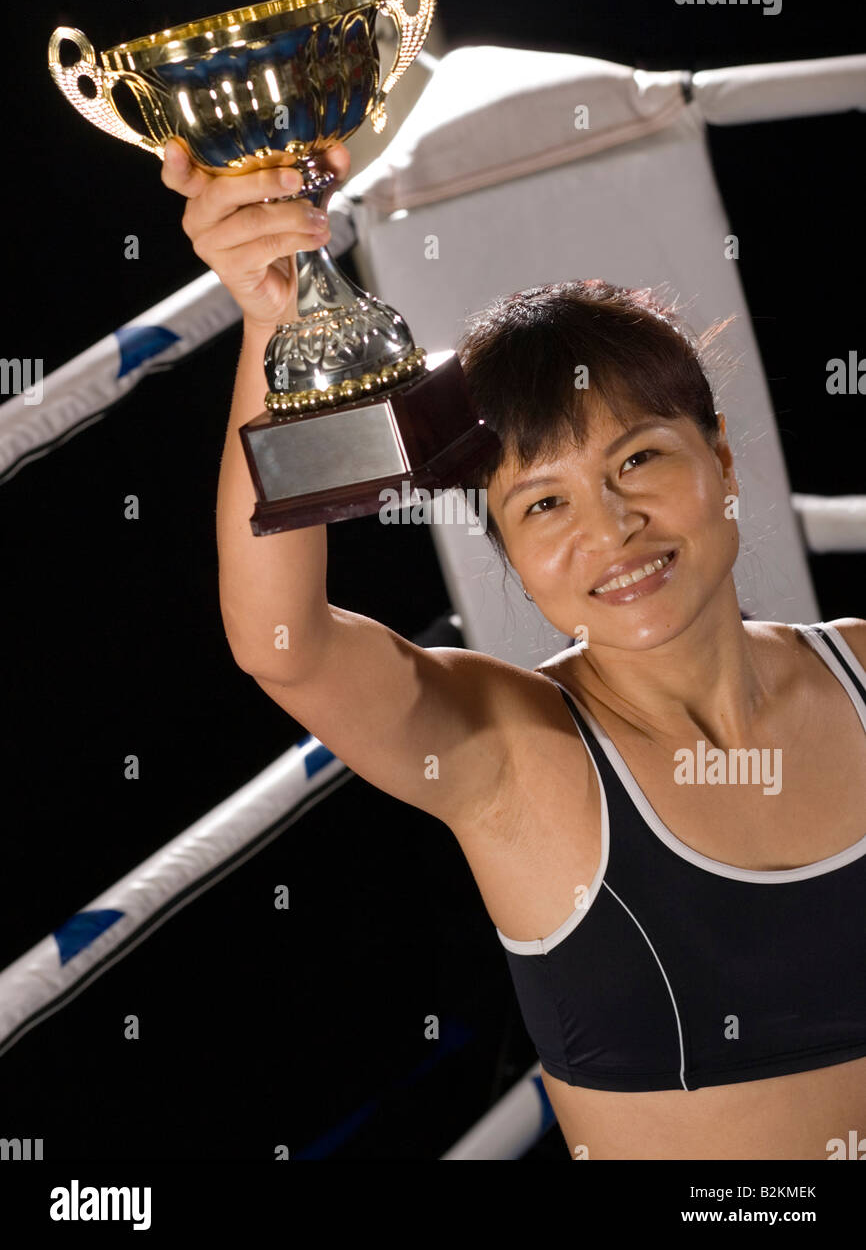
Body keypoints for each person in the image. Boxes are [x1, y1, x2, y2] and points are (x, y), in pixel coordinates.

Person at [160, 137, 866, 1160]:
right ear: (510, 554)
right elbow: (285, 645)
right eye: (544, 502)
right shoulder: (510, 755)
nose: (610, 526)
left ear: (718, 457)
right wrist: (274, 323)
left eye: (637, 459)